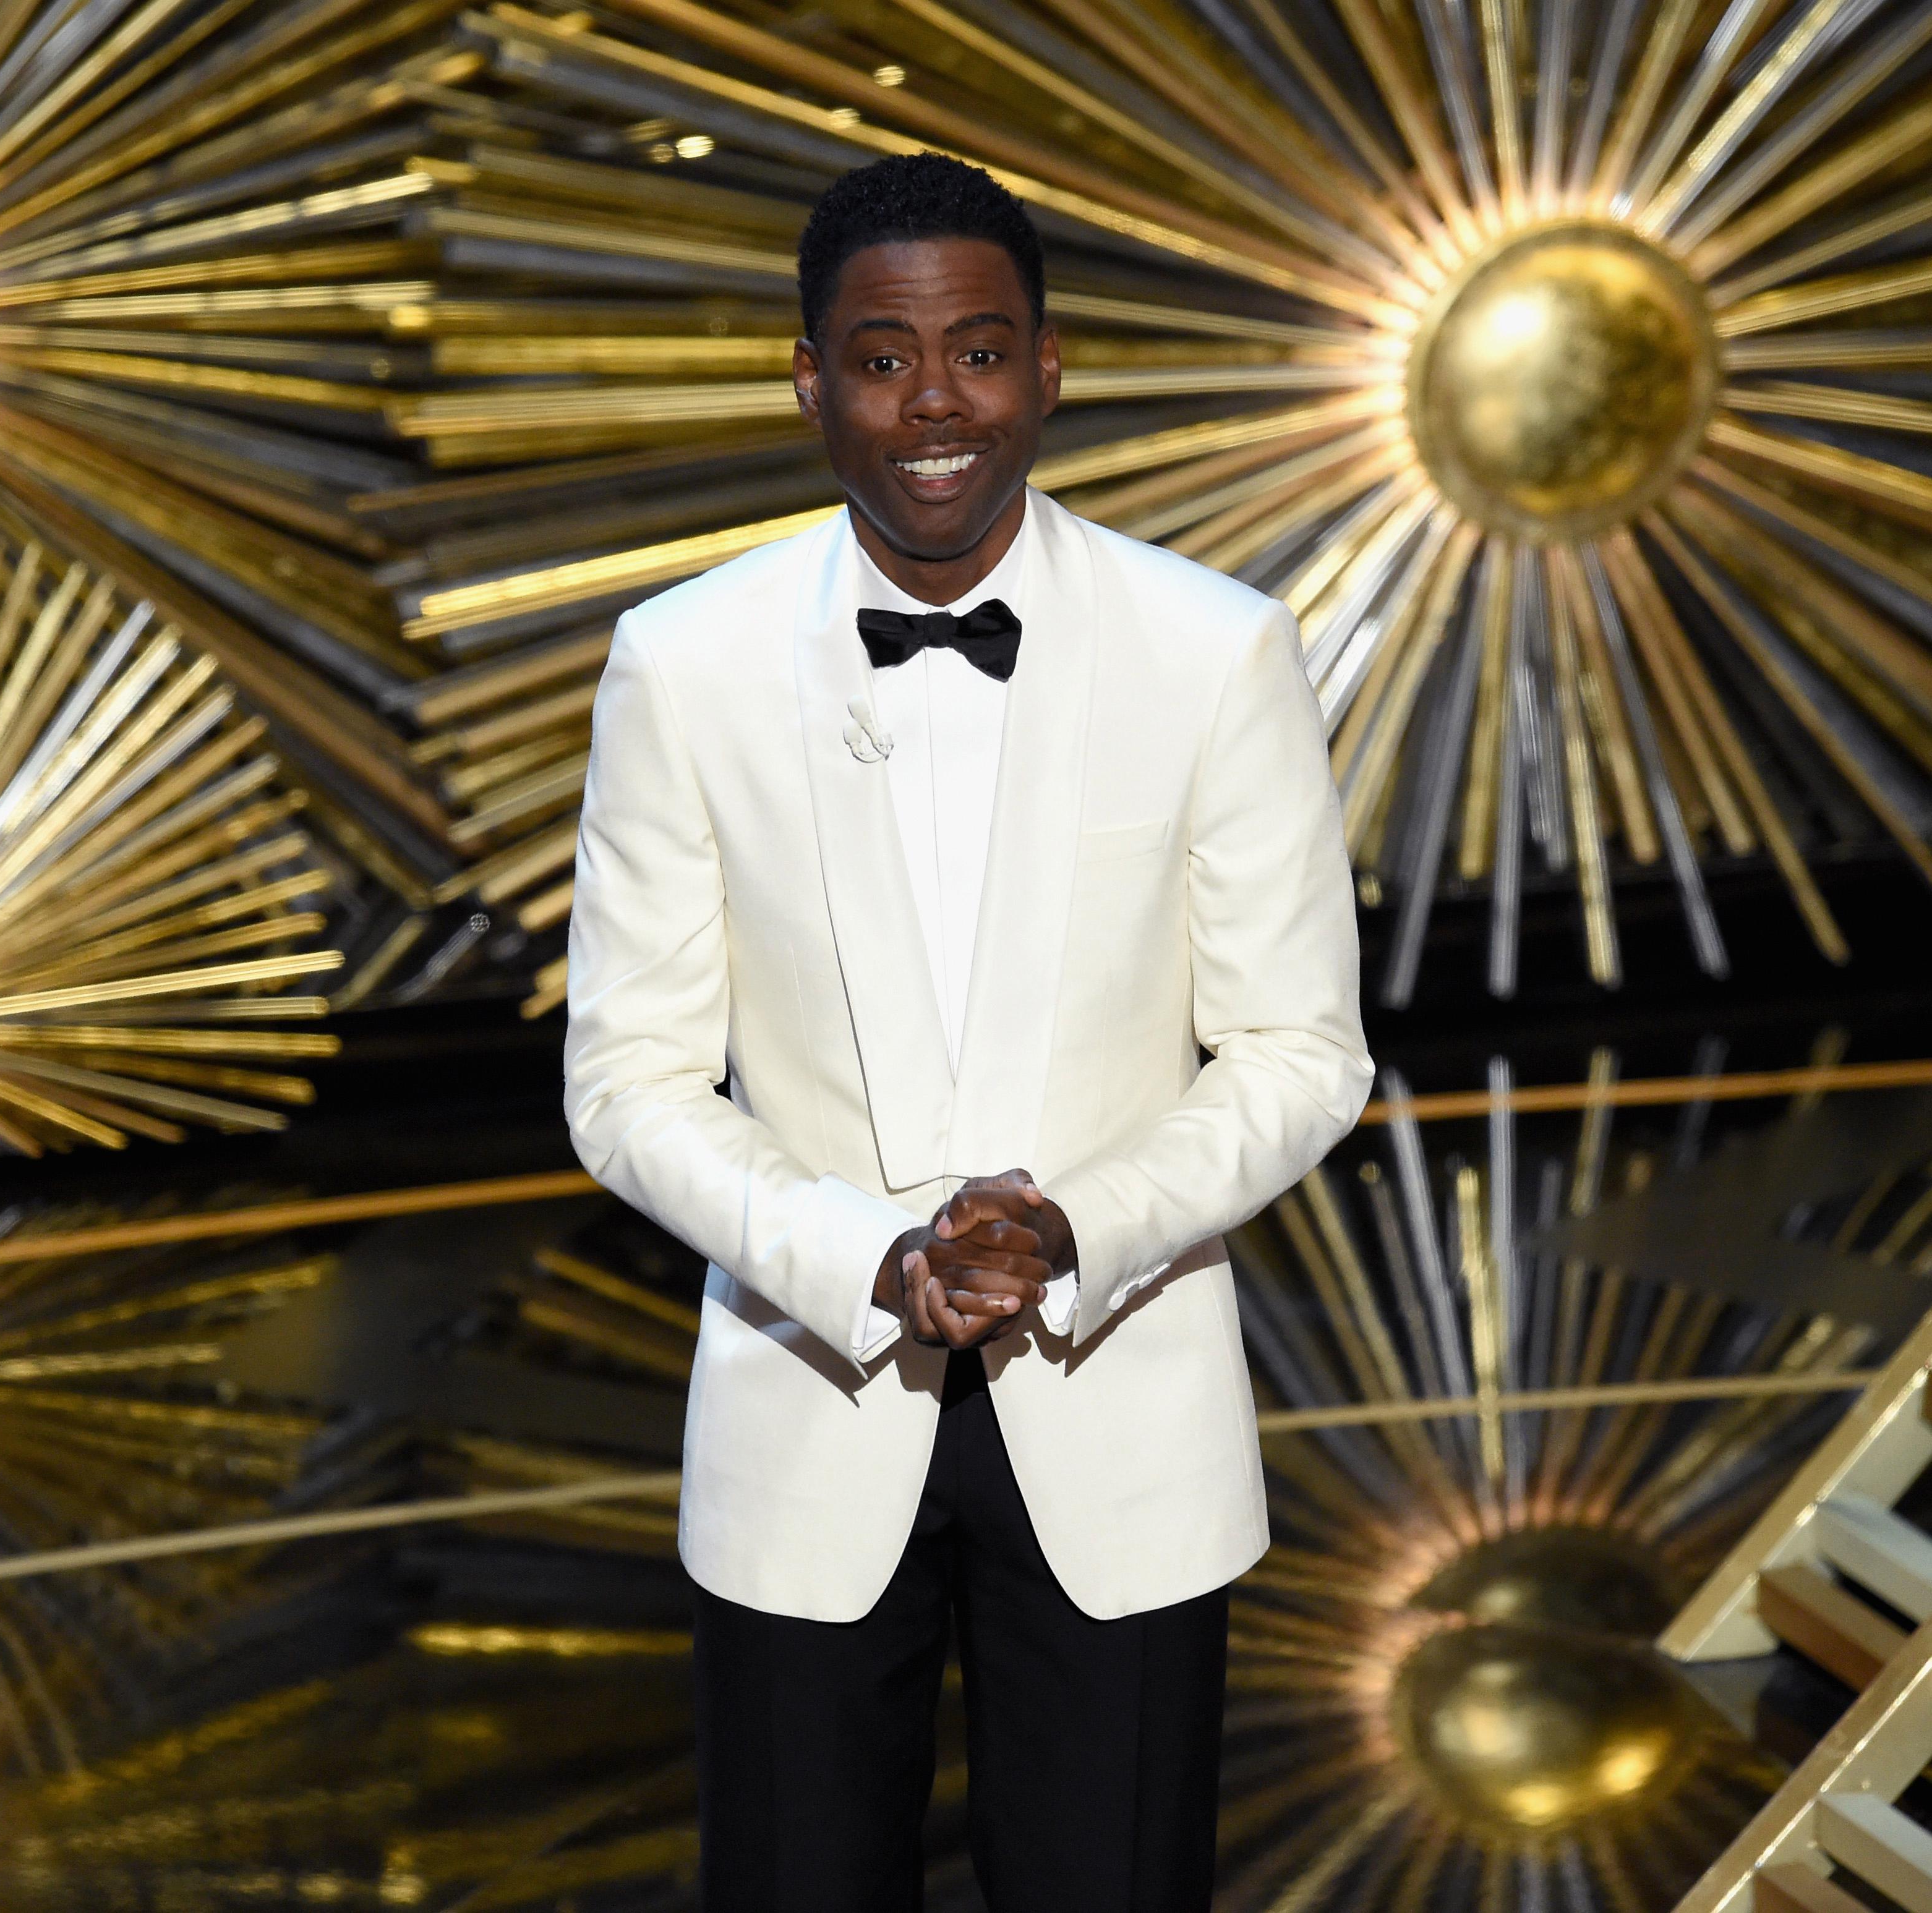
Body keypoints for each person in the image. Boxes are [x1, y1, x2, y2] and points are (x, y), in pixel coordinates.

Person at [562, 150, 1372, 1912]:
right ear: (809, 384)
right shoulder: (681, 666)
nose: (935, 402)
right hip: (804, 1413)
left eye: (979, 351)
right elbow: (625, 1082)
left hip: (1122, 1417)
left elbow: (1301, 1050)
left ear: (1048, 367)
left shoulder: (1214, 650)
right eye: (879, 358)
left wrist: (1068, 1231)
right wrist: (868, 1258)